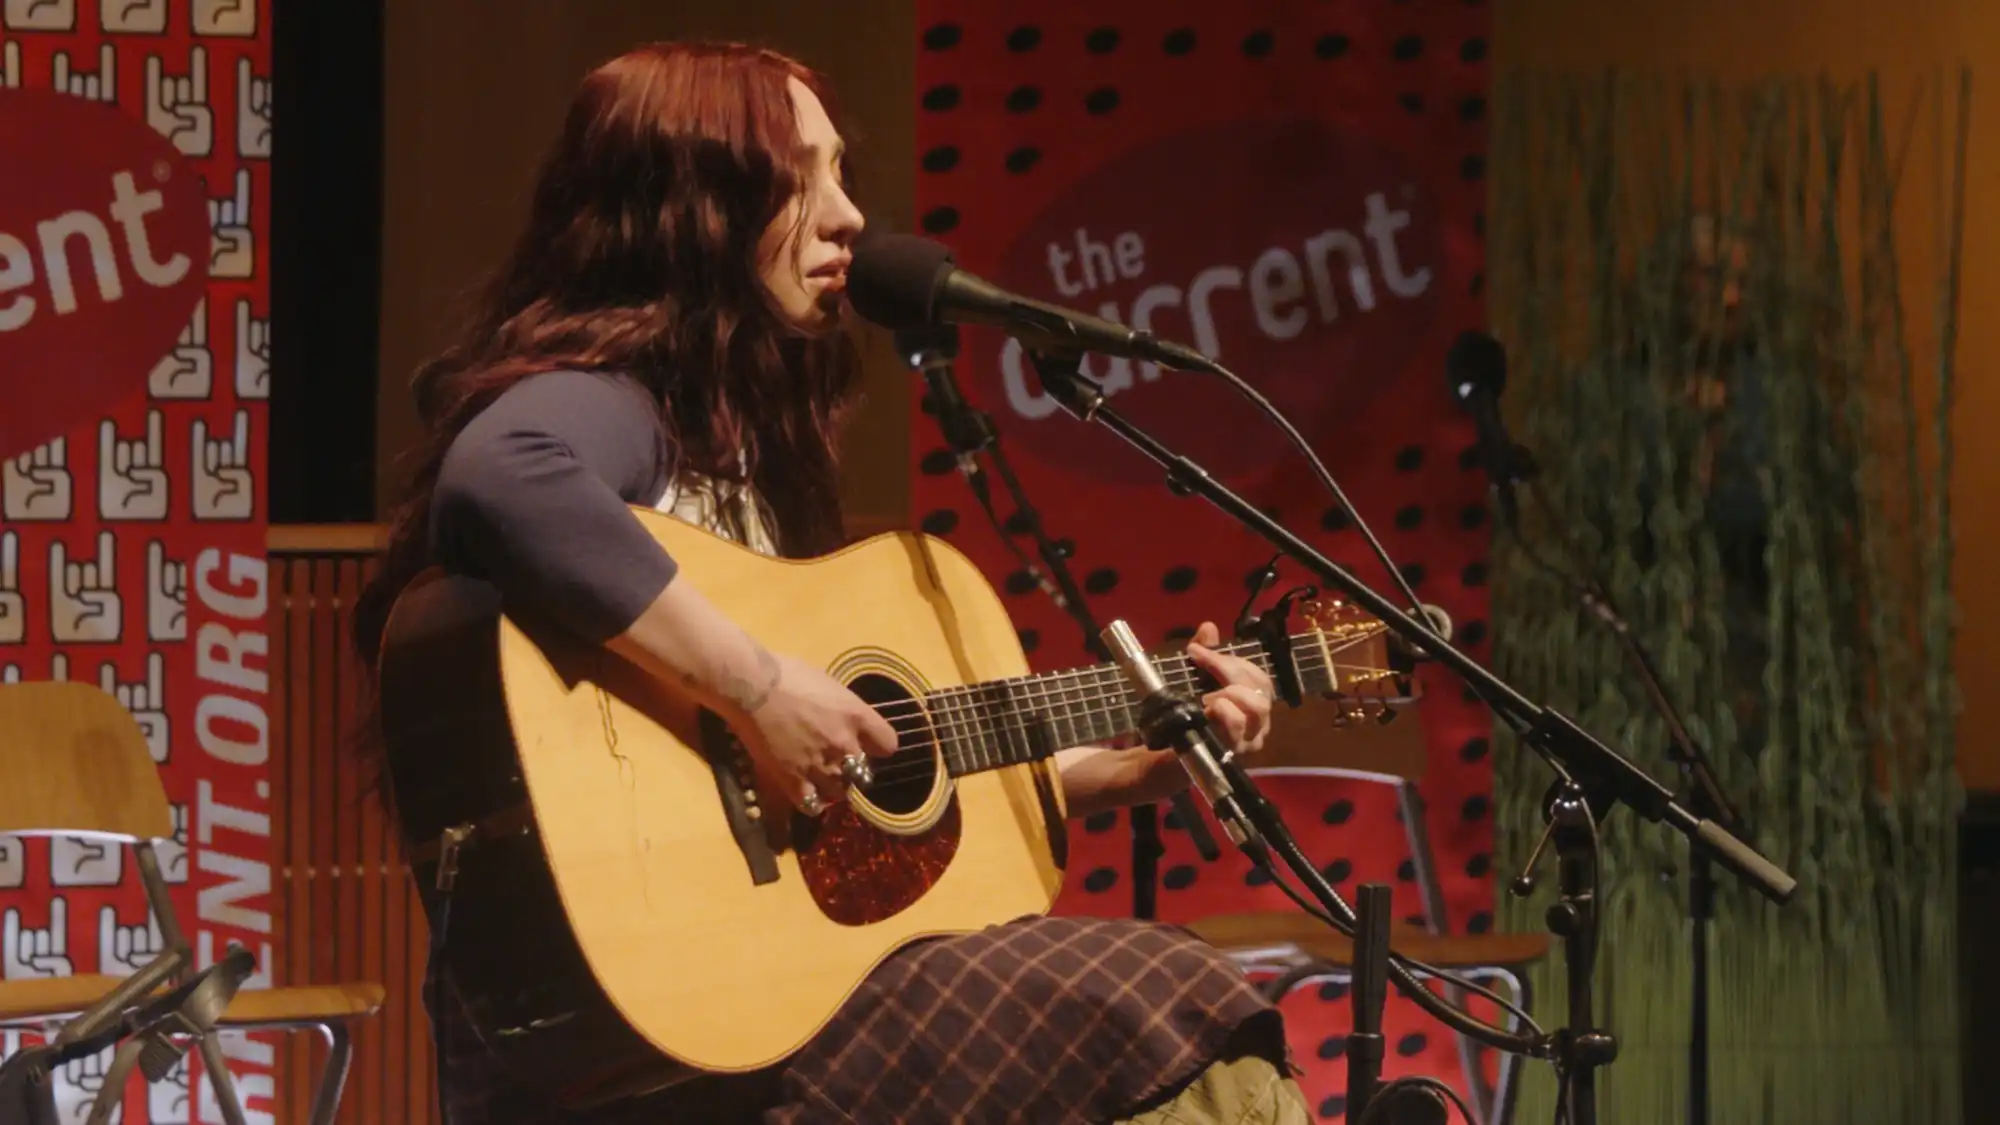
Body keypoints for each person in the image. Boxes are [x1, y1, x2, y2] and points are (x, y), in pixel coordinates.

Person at [354, 41, 1312, 1125]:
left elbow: (860, 787)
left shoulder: (750, 460)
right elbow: (503, 476)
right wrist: (756, 689)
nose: (850, 216)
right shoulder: (614, 404)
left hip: (779, 1013)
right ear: (690, 208)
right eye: (803, 180)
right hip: (652, 1045)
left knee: (1167, 1011)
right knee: (1160, 1002)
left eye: (842, 173)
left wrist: (1122, 768)